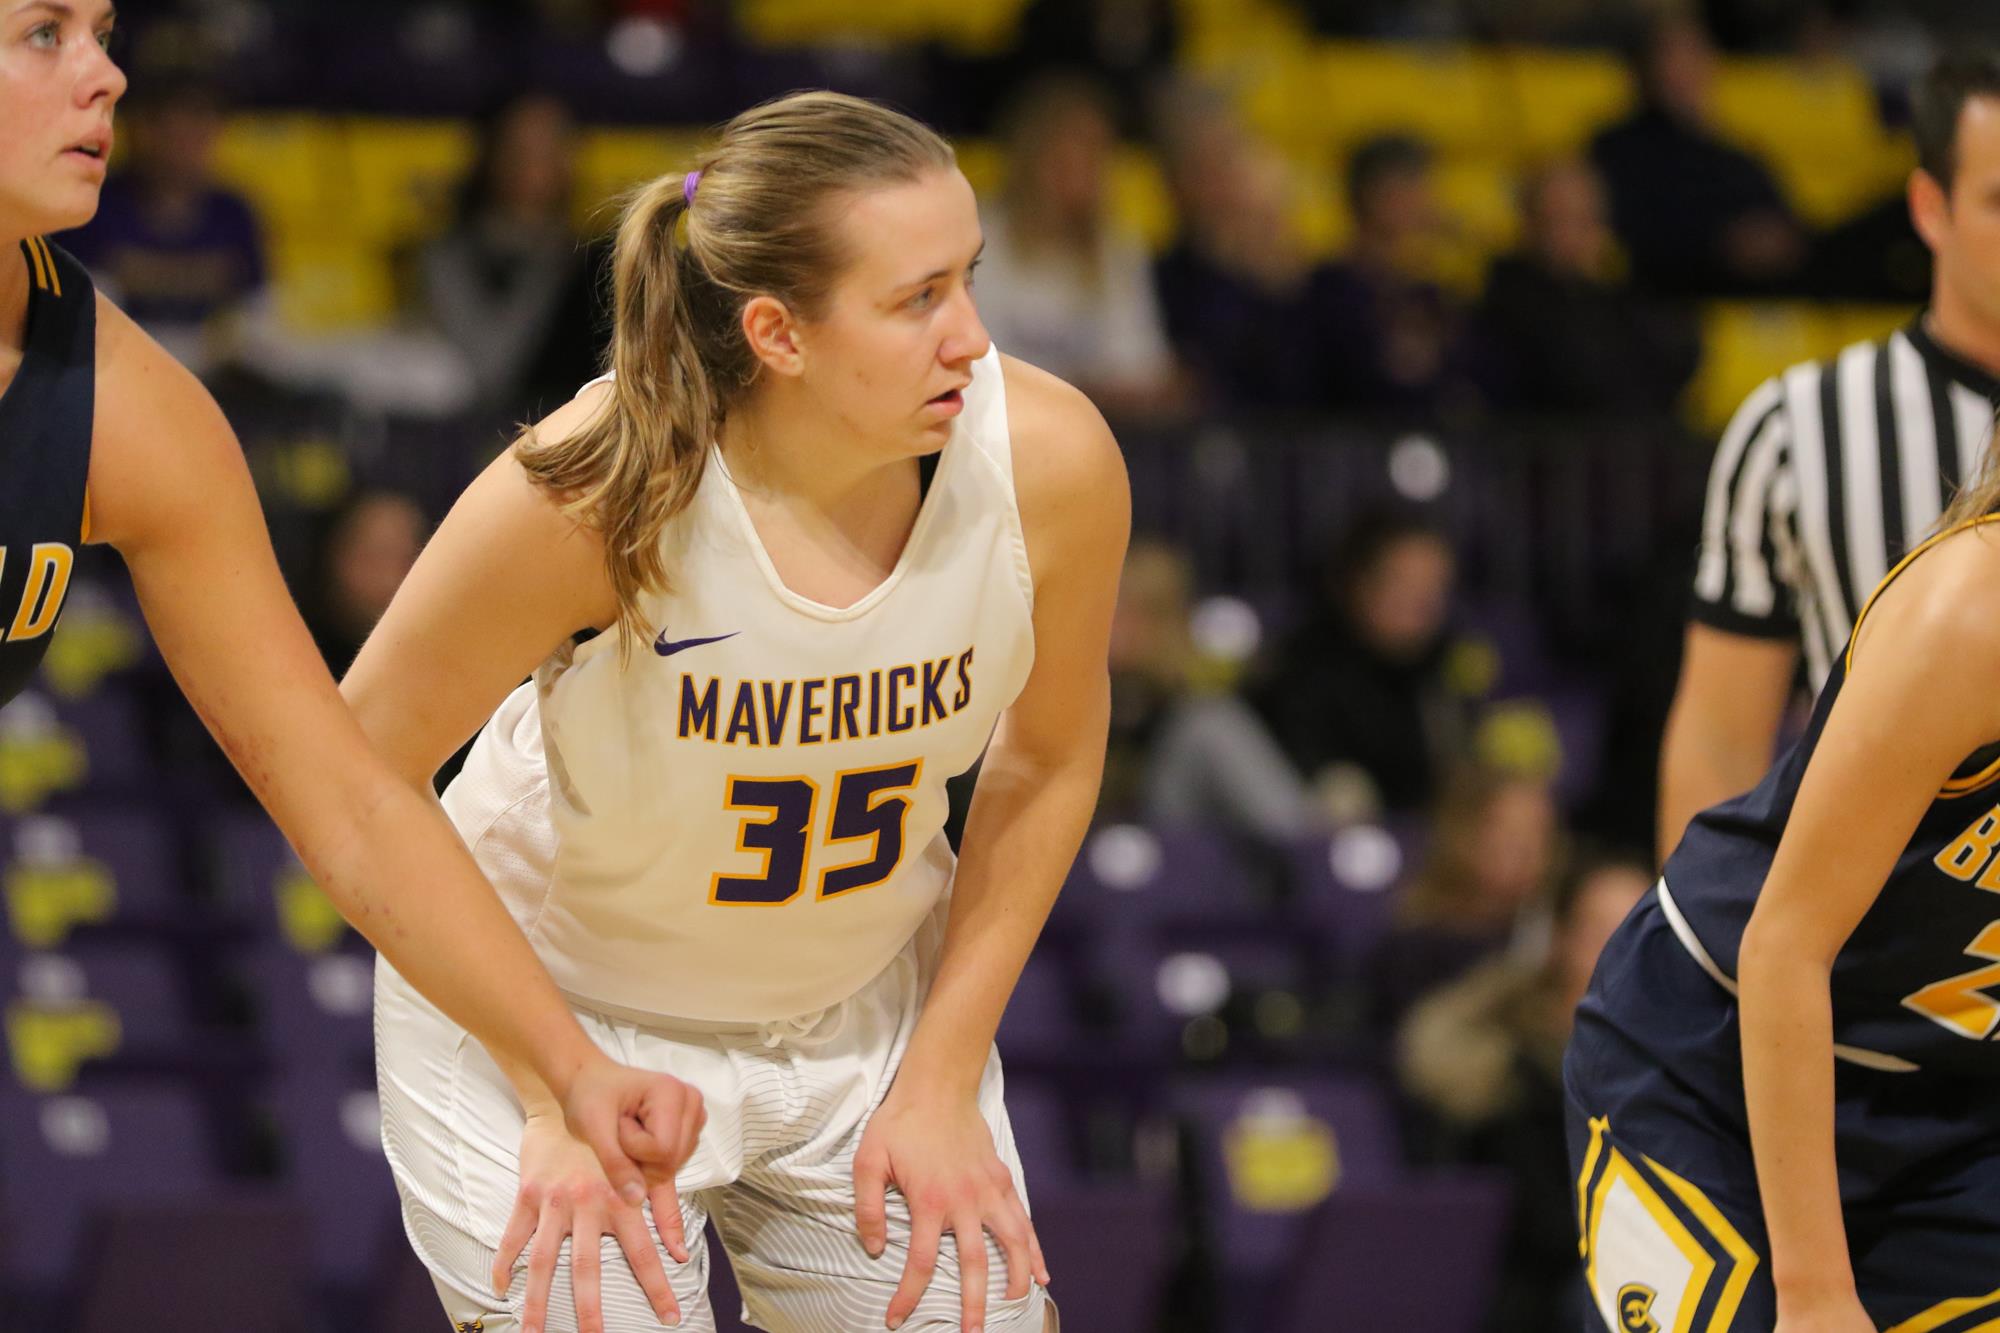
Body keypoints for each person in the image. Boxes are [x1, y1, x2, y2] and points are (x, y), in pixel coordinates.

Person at [347, 91, 1126, 1333]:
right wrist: (551, 1086)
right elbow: (352, 772)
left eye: (968, 278)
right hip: (555, 1013)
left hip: (858, 1017)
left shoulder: (1051, 463)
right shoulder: (599, 485)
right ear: (777, 333)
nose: (972, 338)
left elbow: (1044, 764)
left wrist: (939, 1079)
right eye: (916, 298)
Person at [1, 0, 697, 1208]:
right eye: (42, 33)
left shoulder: (130, 412)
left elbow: (348, 798)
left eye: (105, 30)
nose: (106, 75)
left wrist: (565, 1067)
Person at [1569, 441, 2000, 1327]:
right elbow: (1786, 946)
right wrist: (1816, 1294)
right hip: (1721, 1053)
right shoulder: (1971, 614)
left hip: (1950, 1100)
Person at [1657, 52, 2000, 861]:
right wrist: (1693, 974)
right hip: (1879, 940)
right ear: (1930, 206)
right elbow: (1718, 743)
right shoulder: (1798, 426)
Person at [1398, 848, 1649, 1333]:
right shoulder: (1507, 1075)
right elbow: (1545, 1232)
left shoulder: (1686, 1056)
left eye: (1637, 932)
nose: (1623, 954)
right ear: (1560, 940)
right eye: (1602, 932)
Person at [969, 74, 1183, 420]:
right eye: (1065, 153)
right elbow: (977, 362)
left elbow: (1139, 368)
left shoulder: (1117, 251)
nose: (1081, 170)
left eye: (1094, 153)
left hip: (1098, 433)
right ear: (1030, 156)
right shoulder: (976, 237)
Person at [1587, 13, 1807, 296]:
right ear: (1645, 68)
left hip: (1766, 290)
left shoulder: (1737, 157)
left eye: (1696, 56)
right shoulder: (1616, 149)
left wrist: (1775, 241)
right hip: (1675, 293)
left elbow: (1789, 229)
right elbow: (1625, 236)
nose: (1686, 71)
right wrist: (1724, 245)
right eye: (1673, 58)